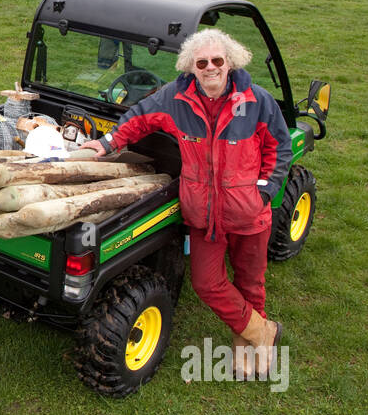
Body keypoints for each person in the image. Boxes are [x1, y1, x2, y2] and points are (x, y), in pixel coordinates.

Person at [80, 29, 290, 379]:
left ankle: (246, 344)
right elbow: (140, 117)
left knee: (251, 281)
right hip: (204, 215)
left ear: (231, 62)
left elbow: (279, 148)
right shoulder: (175, 99)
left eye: (218, 61)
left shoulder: (257, 101)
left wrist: (263, 192)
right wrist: (106, 142)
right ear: (191, 67)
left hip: (249, 213)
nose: (211, 68)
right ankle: (262, 331)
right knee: (207, 283)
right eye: (202, 62)